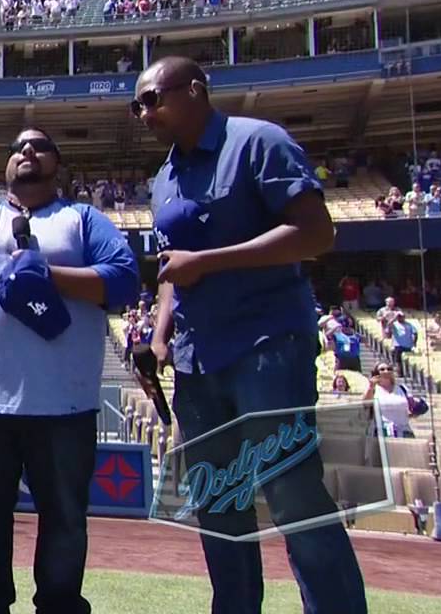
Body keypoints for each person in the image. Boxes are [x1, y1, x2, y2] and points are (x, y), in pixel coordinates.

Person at [135, 57, 366, 614]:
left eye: (153, 98)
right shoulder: (163, 178)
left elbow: (316, 233)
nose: (144, 113)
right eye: (136, 105)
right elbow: (175, 272)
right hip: (196, 362)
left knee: (291, 494)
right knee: (218, 505)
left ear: (195, 90)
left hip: (267, 347)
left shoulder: (260, 142)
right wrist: (159, 338)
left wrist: (207, 263)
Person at [0, 128, 138, 614]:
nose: (26, 151)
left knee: (65, 521)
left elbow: (124, 278)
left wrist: (48, 274)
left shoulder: (83, 219)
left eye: (39, 146)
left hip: (65, 406)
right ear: (5, 167)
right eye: (17, 146)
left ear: (57, 165)